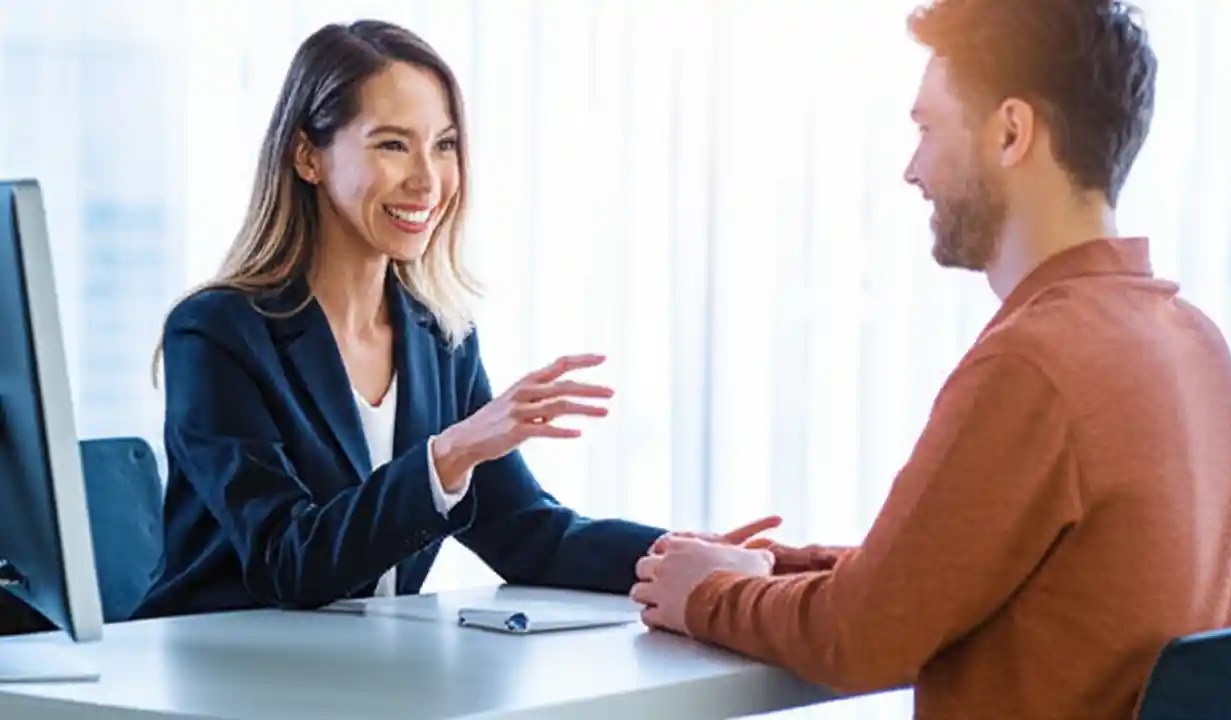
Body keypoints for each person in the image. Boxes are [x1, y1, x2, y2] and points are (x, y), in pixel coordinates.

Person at [629, 1, 1231, 717]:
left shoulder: (1038, 364)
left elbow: (861, 637)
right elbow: (943, 580)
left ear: (1010, 132)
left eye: (928, 129)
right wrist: (774, 568)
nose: (913, 170)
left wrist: (708, 597)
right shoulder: (1193, 342)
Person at [133, 20, 775, 620]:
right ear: (309, 156)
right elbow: (287, 561)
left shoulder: (437, 336)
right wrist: (452, 452)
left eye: (444, 146)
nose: (428, 181)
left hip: (355, 678)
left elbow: (529, 533)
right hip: (218, 678)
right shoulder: (216, 333)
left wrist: (685, 557)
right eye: (392, 145)